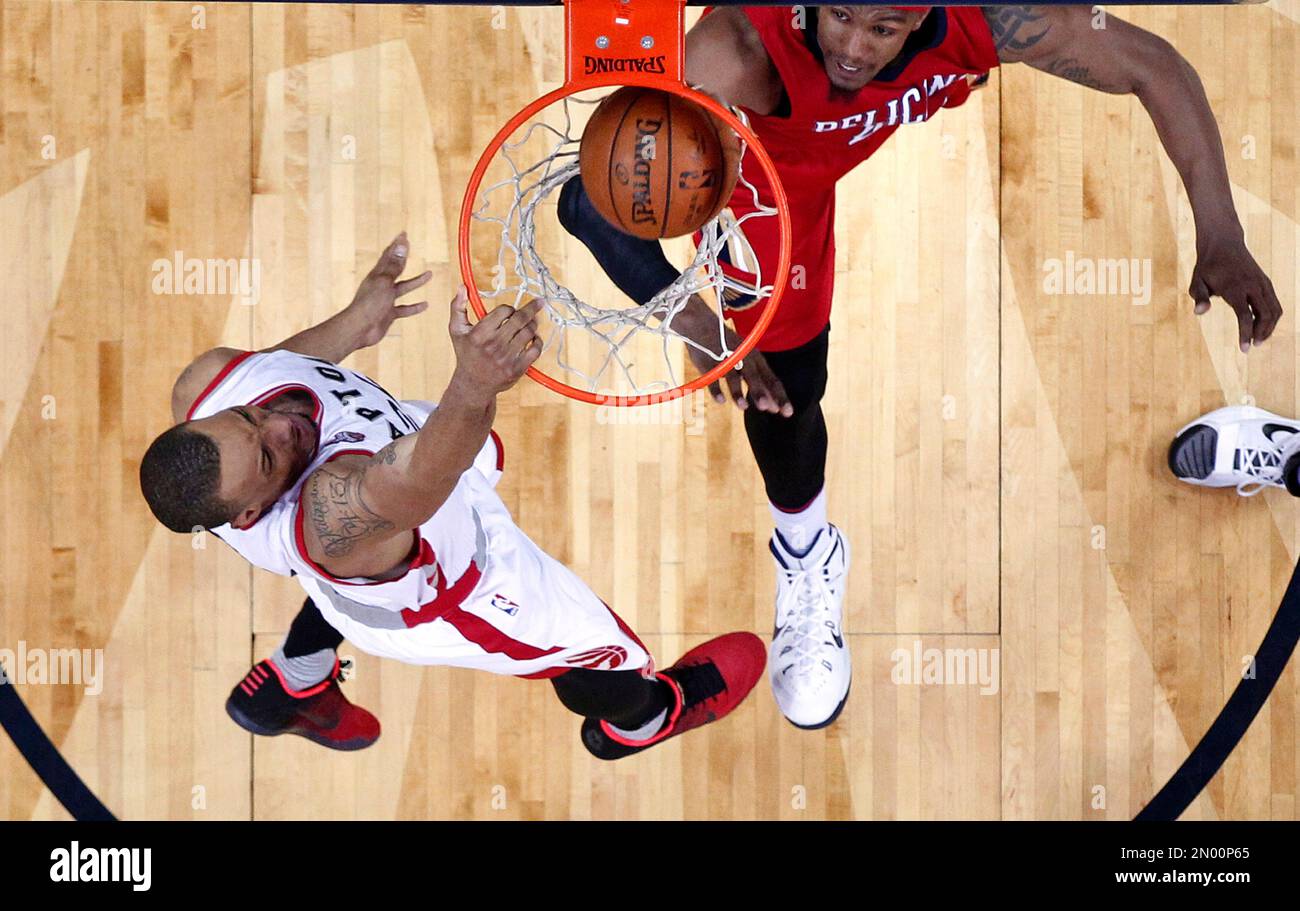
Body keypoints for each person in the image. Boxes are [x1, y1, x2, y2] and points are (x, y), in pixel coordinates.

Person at [559, 4, 1284, 729]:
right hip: (767, 171)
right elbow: (586, 205)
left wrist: (1220, 230)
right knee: (780, 389)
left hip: (823, 141)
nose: (852, 47)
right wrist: (698, 322)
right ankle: (807, 550)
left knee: (783, 380)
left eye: (884, 27)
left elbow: (1154, 67)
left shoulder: (994, 18)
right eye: (840, 15)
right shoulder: (735, 53)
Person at [139, 233, 765, 759]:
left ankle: (295, 679)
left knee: (427, 496)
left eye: (249, 418)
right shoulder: (334, 513)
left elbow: (274, 367)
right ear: (252, 511)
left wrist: (354, 325)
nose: (280, 424)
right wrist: (473, 382)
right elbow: (416, 483)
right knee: (598, 656)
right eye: (271, 455)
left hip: (392, 511)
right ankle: (642, 720)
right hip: (460, 593)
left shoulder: (207, 387)